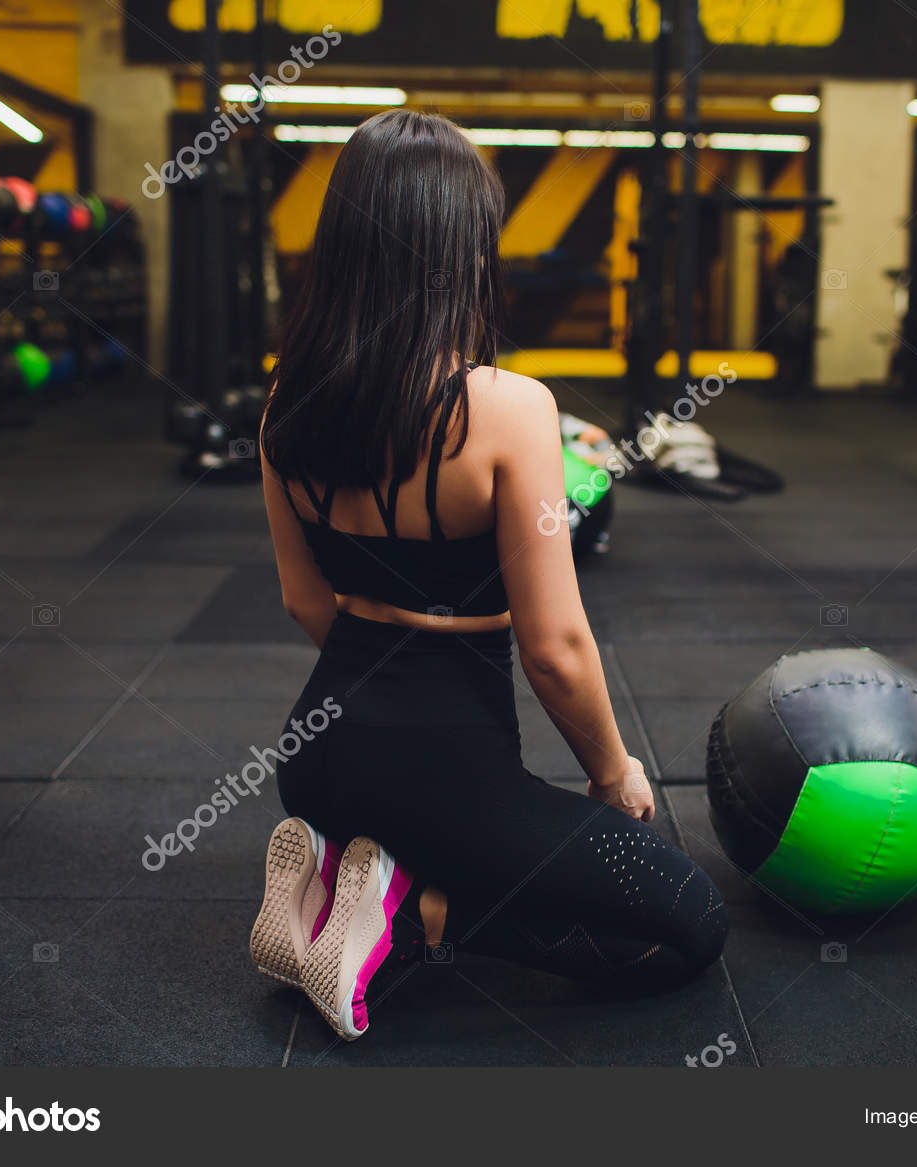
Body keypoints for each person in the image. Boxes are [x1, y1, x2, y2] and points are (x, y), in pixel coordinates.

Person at [249, 109, 727, 1042]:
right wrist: (612, 773)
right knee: (687, 923)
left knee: (452, 822)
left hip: (316, 756)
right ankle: (420, 915)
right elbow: (554, 648)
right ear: (463, 248)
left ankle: (349, 870)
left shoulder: (285, 402)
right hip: (450, 776)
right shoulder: (510, 410)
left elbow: (304, 600)